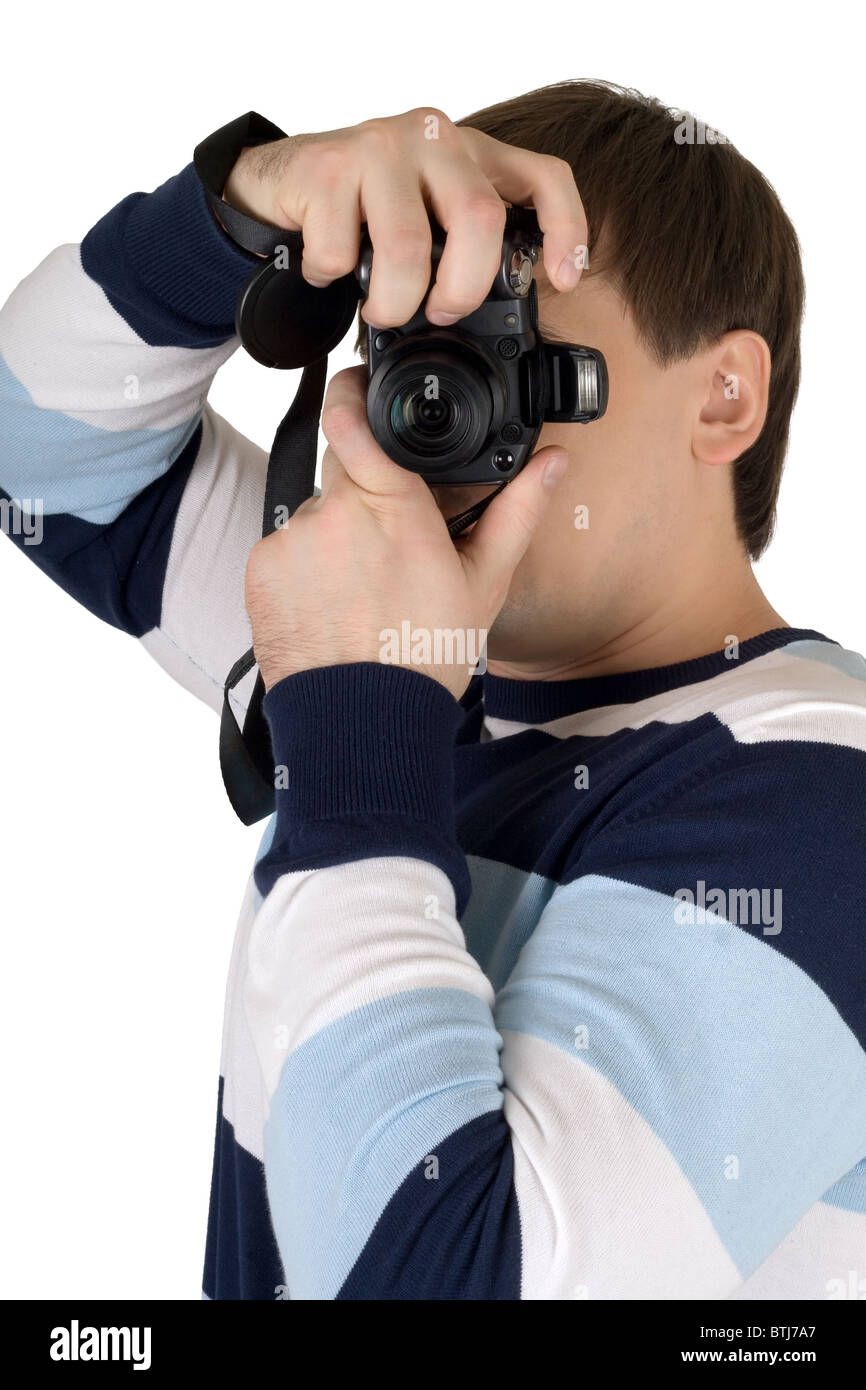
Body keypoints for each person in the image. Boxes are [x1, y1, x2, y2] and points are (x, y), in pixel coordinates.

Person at [2, 80, 864, 1301]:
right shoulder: (411, 648)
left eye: (513, 358)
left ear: (721, 393)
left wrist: (356, 722)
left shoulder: (817, 797)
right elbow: (33, 439)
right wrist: (249, 208)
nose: (440, 413)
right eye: (422, 351)